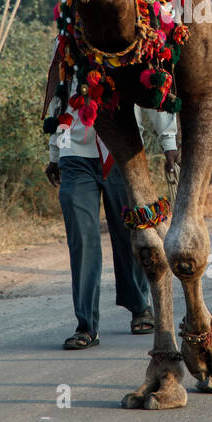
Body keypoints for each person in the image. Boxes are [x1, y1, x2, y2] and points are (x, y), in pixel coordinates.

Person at [45, 94, 178, 349]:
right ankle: (86, 326)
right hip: (74, 156)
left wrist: (168, 140)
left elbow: (151, 85)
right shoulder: (66, 52)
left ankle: (140, 306)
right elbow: (59, 96)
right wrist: (56, 153)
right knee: (82, 241)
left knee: (129, 230)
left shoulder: (125, 50)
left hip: (122, 151)